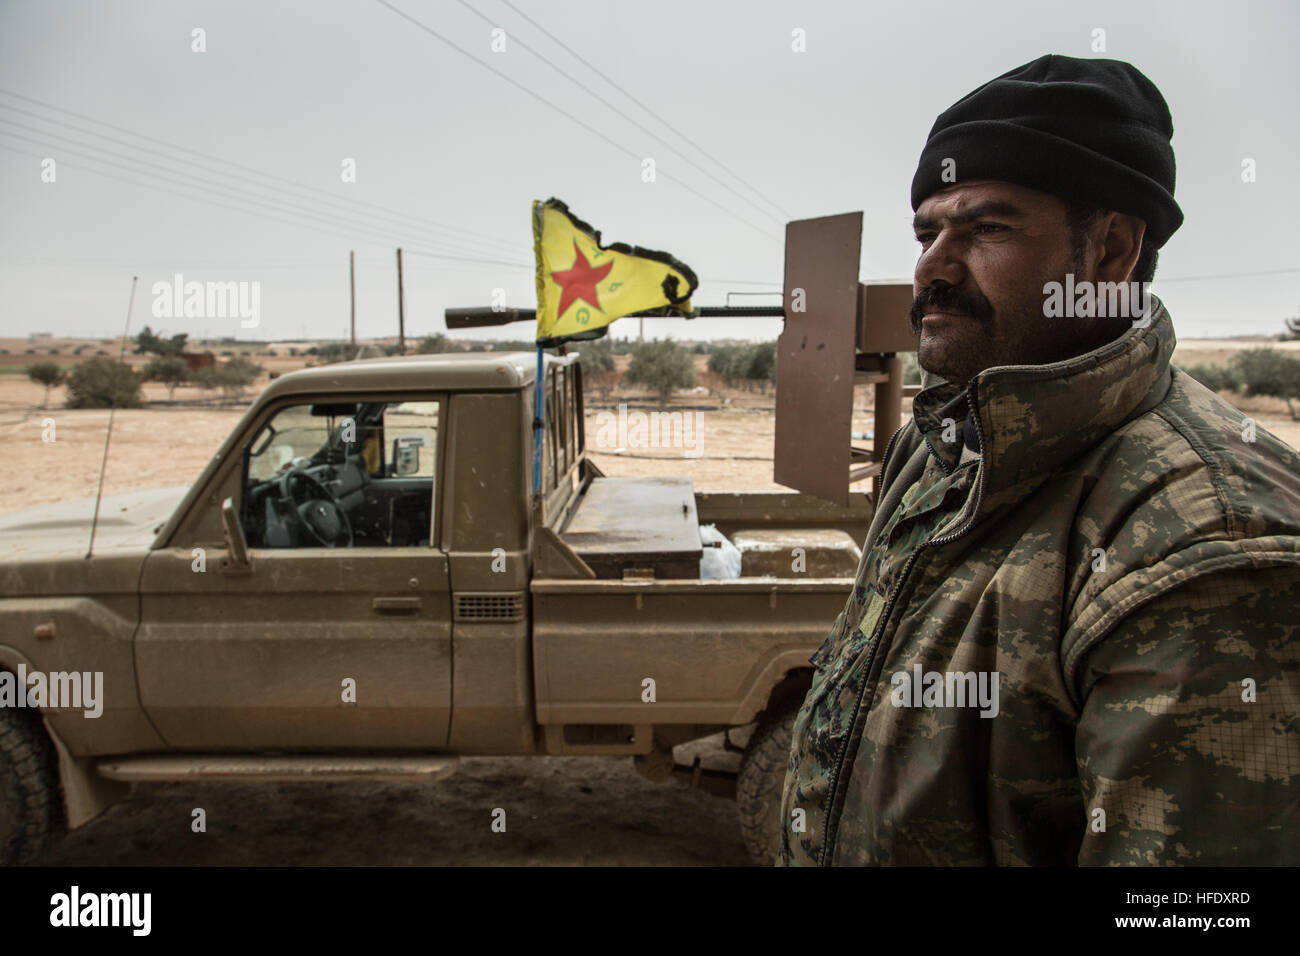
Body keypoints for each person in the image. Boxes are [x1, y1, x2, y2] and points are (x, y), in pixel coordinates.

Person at [779, 54, 1300, 866]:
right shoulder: (940, 446)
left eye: (986, 229)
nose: (933, 270)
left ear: (1112, 253)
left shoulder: (1204, 536)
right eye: (928, 231)